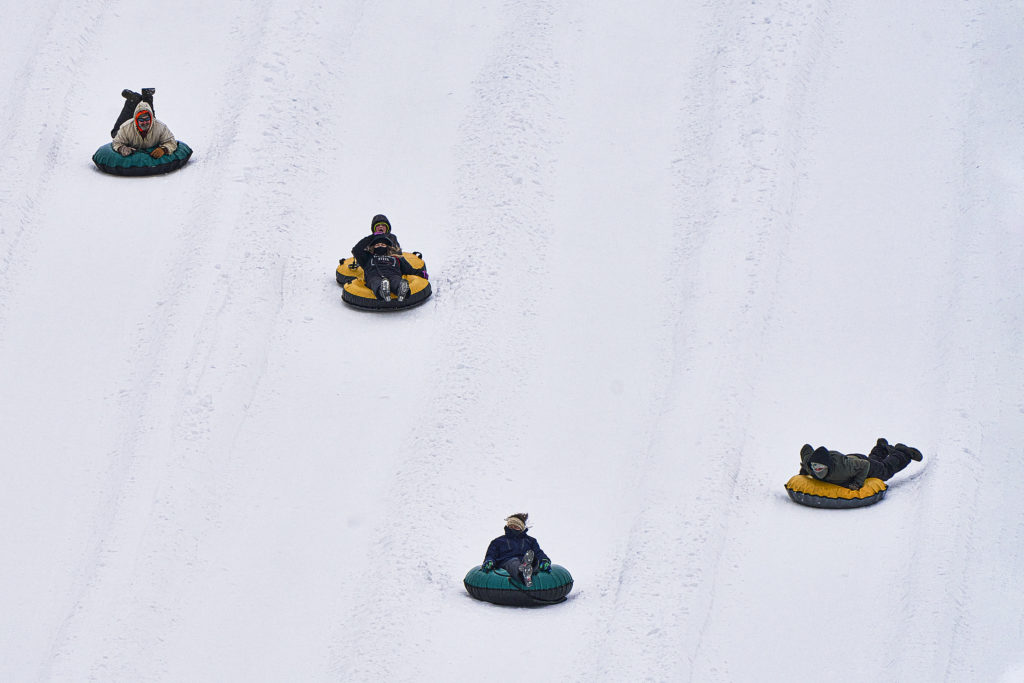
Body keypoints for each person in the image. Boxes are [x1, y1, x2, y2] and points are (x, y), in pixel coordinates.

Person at [799, 438, 923, 490]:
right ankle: (881, 447)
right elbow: (806, 448)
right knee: (877, 463)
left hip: (860, 463)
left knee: (884, 471)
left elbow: (864, 465)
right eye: (814, 467)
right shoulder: (811, 466)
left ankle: (903, 452)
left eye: (820, 467)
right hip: (849, 460)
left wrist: (857, 483)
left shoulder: (844, 469)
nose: (817, 470)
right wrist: (804, 470)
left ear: (828, 466)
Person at [480, 513, 552, 587]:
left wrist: (544, 560)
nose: (513, 528)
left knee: (535, 560)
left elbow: (538, 552)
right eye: (511, 526)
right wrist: (489, 561)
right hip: (507, 562)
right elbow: (491, 554)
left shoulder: (530, 541)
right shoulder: (498, 541)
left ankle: (528, 567)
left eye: (516, 527)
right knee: (513, 562)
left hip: (525, 560)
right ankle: (522, 573)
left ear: (521, 528)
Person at [111, 99, 177, 159]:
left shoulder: (161, 127)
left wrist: (164, 149)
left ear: (151, 118)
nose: (145, 122)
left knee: (149, 113)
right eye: (141, 120)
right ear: (136, 120)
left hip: (153, 132)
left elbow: (171, 142)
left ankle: (148, 96)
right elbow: (116, 143)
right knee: (114, 133)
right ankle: (131, 100)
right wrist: (122, 148)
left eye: (147, 119)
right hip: (126, 130)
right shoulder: (125, 128)